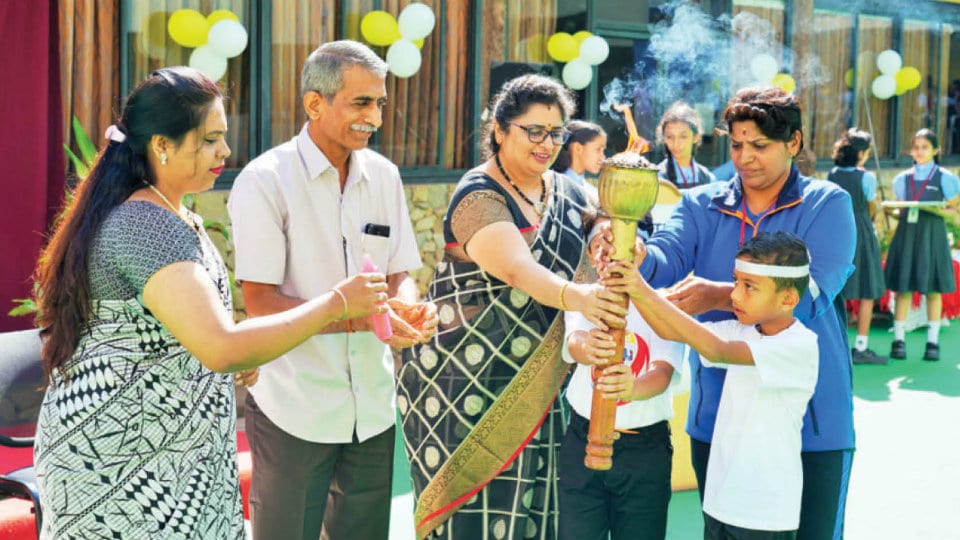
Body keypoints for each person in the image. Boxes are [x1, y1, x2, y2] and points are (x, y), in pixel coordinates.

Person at [32, 67, 389, 539]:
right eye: (210, 140)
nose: (225, 151)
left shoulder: (173, 212)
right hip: (120, 464)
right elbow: (220, 346)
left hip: (173, 456)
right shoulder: (145, 223)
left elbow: (196, 334)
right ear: (162, 144)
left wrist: (224, 360)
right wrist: (336, 303)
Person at [620, 86, 855, 540]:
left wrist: (717, 296)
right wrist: (631, 247)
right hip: (717, 426)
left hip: (813, 428)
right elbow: (663, 259)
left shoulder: (828, 204)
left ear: (794, 143)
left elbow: (806, 297)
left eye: (760, 146)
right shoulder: (700, 203)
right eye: (736, 144)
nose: (745, 157)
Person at [397, 74, 626, 539]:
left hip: (546, 386)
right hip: (464, 387)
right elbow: (519, 271)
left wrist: (605, 232)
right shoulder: (478, 194)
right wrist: (579, 295)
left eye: (556, 133)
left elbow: (595, 238)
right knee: (476, 518)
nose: (546, 144)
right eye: (533, 131)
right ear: (500, 130)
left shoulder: (569, 192)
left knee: (541, 510)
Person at [227, 41, 439, 540]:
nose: (375, 117)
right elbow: (258, 303)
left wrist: (404, 305)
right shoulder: (264, 181)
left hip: (373, 403)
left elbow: (398, 274)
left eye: (380, 103)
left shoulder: (384, 176)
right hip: (293, 404)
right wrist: (366, 318)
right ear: (314, 104)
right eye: (361, 103)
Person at [604, 231, 818, 540]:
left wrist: (640, 287)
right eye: (736, 282)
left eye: (749, 287)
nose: (734, 295)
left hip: (764, 511)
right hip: (722, 501)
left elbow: (716, 349)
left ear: (788, 299)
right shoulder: (741, 330)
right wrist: (633, 290)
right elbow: (669, 329)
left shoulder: (800, 345)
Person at [558, 252, 683, 540]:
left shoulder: (661, 302)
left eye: (620, 243)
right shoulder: (584, 294)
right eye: (599, 244)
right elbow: (574, 342)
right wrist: (588, 345)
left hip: (643, 449)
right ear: (589, 252)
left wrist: (633, 389)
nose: (609, 254)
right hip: (582, 439)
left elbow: (663, 373)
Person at [885, 128, 960, 361]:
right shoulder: (901, 179)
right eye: (916, 147)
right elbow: (900, 210)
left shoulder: (947, 179)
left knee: (933, 289)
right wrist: (891, 210)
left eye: (925, 147)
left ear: (935, 150)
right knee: (903, 288)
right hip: (907, 236)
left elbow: (952, 211)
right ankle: (898, 341)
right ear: (911, 150)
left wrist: (935, 209)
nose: (920, 151)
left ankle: (932, 343)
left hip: (933, 235)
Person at [826, 128, 888, 364]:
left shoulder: (832, 174)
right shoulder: (867, 177)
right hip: (861, 231)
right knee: (866, 290)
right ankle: (860, 347)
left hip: (835, 232)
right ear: (862, 153)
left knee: (835, 290)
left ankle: (835, 345)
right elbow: (872, 207)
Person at [655, 101, 716, 190]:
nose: (676, 144)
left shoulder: (708, 178)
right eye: (669, 137)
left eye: (683, 137)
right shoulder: (657, 177)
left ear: (696, 137)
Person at [550, 120, 607, 186]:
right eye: (598, 149)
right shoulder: (556, 185)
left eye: (603, 151)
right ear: (578, 148)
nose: (603, 158)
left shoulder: (590, 189)